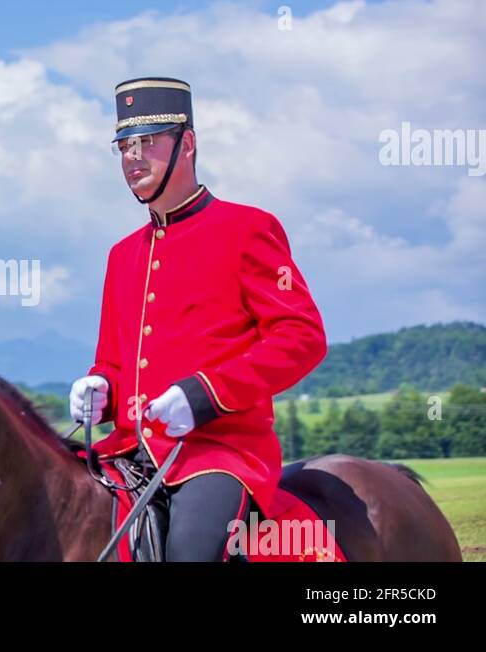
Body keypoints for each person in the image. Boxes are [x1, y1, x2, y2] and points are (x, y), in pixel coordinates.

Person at [68, 78, 327, 561]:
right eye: (124, 146)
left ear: (187, 144)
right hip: (127, 450)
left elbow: (302, 337)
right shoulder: (122, 256)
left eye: (147, 142)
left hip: (219, 452)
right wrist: (100, 388)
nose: (132, 158)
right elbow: (113, 360)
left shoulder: (247, 229)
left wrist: (206, 393)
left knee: (191, 552)